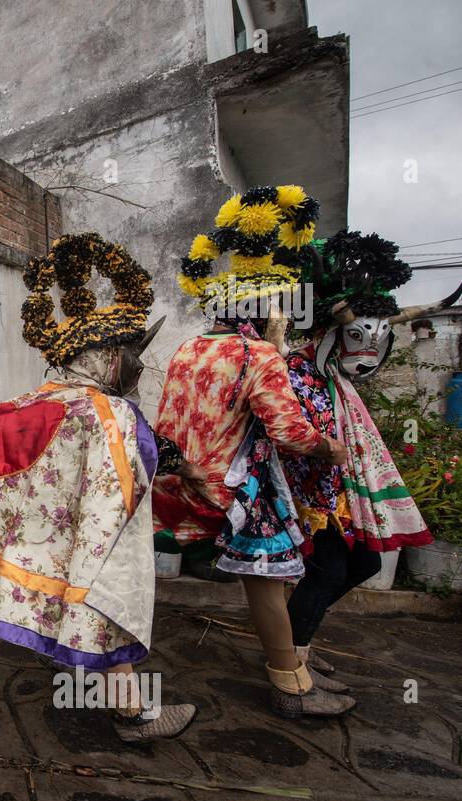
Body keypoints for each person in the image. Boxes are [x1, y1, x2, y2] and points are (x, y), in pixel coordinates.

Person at [0, 233, 199, 744]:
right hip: (76, 553)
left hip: (25, 550)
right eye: (128, 355)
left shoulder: (26, 402)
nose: (134, 367)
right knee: (101, 611)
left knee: (1, 604)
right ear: (107, 357)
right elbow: (128, 477)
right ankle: (134, 717)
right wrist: (183, 473)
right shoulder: (108, 413)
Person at [159, 185, 352, 718]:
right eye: (277, 303)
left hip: (179, 480)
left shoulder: (187, 348)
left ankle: (296, 668)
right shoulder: (260, 354)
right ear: (261, 306)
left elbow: (171, 421)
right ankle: (291, 687)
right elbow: (289, 432)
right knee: (267, 585)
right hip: (236, 490)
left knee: (266, 581)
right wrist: (330, 449)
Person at [283, 230, 448, 680]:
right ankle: (289, 665)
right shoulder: (296, 372)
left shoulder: (335, 377)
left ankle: (296, 643)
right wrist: (324, 451)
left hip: (337, 495)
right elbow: (288, 435)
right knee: (331, 569)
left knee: (363, 564)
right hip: (307, 497)